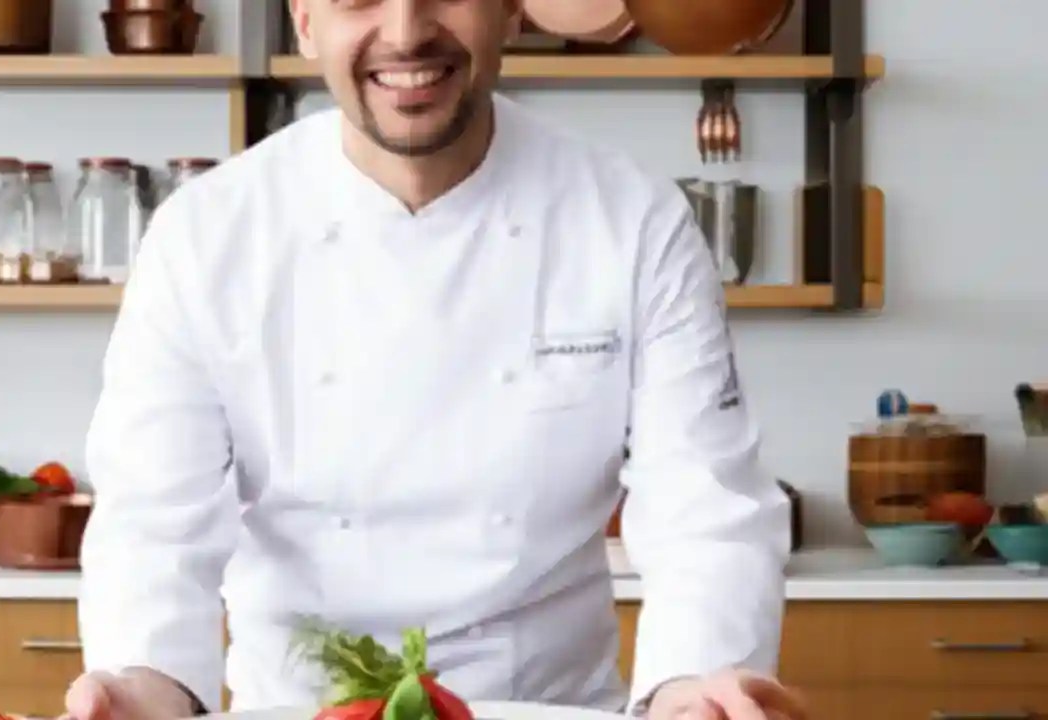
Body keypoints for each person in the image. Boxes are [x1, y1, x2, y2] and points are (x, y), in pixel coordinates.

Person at [66, 1, 804, 719]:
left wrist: (693, 691)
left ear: (512, 10)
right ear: (303, 18)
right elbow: (152, 524)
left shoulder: (631, 221)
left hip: (548, 706)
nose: (407, 31)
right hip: (300, 709)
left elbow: (706, 507)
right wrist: (144, 686)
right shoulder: (206, 236)